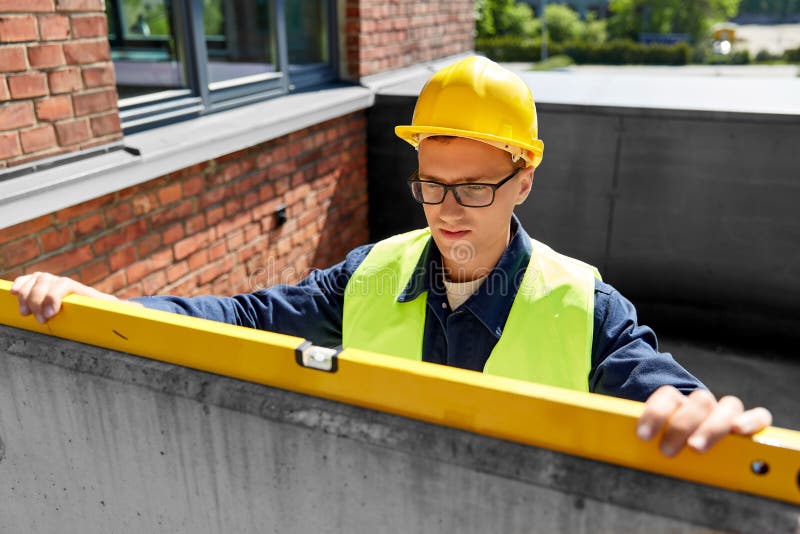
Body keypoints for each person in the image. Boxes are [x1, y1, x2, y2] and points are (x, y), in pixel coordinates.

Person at [10, 56, 771, 458]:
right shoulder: (370, 273)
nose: (445, 211)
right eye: (431, 186)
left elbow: (664, 392)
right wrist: (107, 306)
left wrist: (697, 413)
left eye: (473, 190)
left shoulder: (586, 305)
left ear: (524, 180)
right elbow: (243, 315)